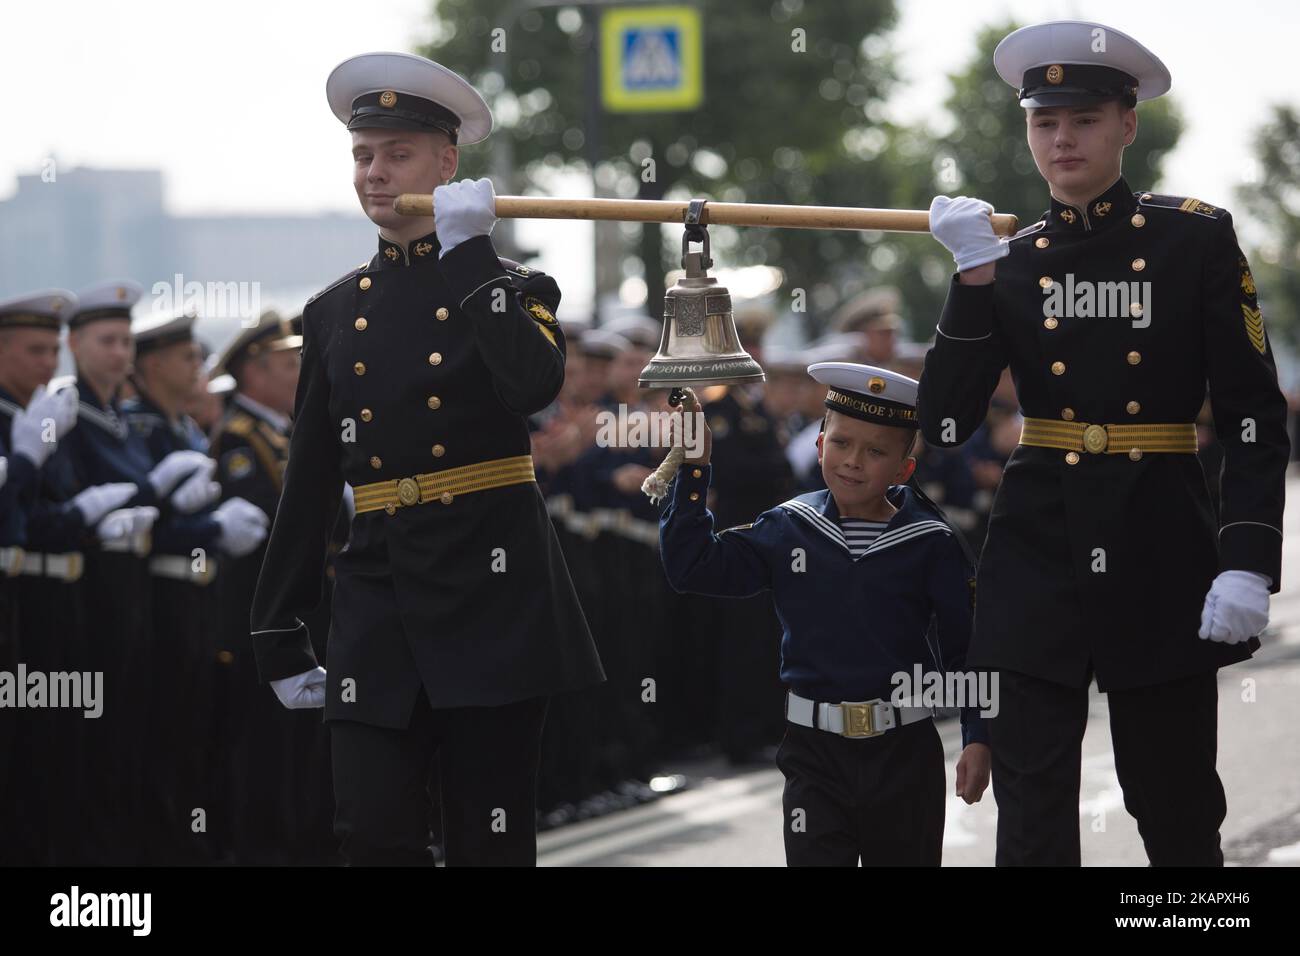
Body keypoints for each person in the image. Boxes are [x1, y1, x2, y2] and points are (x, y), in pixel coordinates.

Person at [917, 20, 1290, 866]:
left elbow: (1251, 414)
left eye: (1083, 119)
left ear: (1128, 124)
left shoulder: (1193, 239)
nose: (1062, 139)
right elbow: (943, 425)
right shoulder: (1008, 261)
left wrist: (1247, 556)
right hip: (1036, 551)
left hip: (1156, 540)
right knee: (1033, 808)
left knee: (1175, 804)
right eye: (1045, 122)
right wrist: (970, 285)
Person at [249, 51, 604, 866]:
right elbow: (307, 483)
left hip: (494, 588)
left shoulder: (515, 287)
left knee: (491, 836)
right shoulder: (335, 312)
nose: (374, 175)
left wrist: (473, 257)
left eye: (396, 154)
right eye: (362, 157)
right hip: (378, 598)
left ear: (447, 163)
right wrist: (279, 623)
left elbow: (532, 386)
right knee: (372, 832)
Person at [659, 364, 991, 866]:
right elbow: (693, 567)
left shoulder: (932, 542)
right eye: (841, 444)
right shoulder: (789, 526)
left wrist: (978, 738)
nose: (854, 462)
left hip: (904, 754)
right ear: (818, 447)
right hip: (813, 755)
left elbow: (965, 648)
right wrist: (695, 470)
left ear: (905, 469)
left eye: (876, 451)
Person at [126, 311, 267, 862]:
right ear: (154, 364)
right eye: (187, 358)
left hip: (202, 596)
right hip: (161, 598)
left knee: (201, 737)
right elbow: (142, 523)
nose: (198, 367)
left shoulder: (184, 428)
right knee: (168, 738)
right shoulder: (139, 426)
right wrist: (209, 529)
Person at [207, 311, 337, 863]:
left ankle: (307, 841)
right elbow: (267, 528)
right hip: (260, 618)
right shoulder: (239, 439)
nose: (301, 373)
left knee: (305, 744)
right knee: (267, 744)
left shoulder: (282, 430)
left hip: (308, 610)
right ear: (253, 372)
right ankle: (269, 849)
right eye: (290, 363)